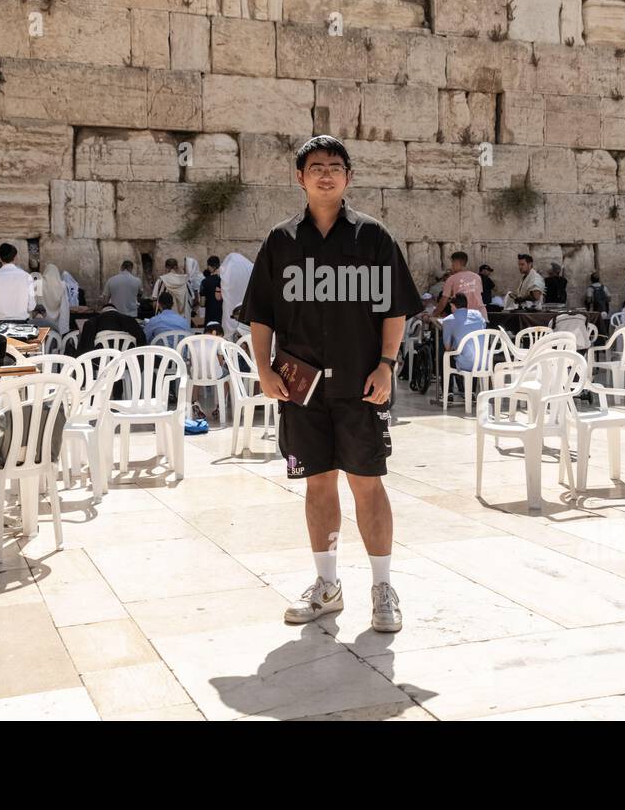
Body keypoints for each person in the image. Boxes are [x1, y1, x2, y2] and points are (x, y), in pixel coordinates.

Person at [244, 134, 420, 634]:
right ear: (299, 177)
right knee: (318, 484)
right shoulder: (281, 242)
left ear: (348, 177)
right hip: (302, 390)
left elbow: (395, 309)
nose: (326, 174)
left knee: (368, 484)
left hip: (362, 385)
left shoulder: (374, 238)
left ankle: (383, 588)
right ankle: (327, 585)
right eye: (315, 166)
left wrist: (386, 364)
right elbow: (261, 315)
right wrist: (263, 368)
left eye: (335, 166)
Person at [439, 293, 487, 395]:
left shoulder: (448, 320)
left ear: (453, 306)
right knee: (473, 350)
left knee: (445, 354)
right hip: (483, 361)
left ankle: (448, 392)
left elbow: (447, 347)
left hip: (466, 363)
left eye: (451, 306)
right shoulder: (478, 314)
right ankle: (472, 392)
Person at [0, 242, 36, 323]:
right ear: (15, 257)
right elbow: (31, 306)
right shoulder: (27, 276)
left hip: (0, 324)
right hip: (22, 323)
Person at [434, 250, 487, 320]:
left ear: (456, 263)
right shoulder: (477, 277)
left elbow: (443, 301)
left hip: (462, 319)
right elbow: (478, 295)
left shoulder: (451, 279)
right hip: (481, 317)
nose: (451, 266)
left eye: (452, 263)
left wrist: (433, 315)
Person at [39, 264, 70, 333]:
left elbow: (35, 304)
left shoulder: (39, 284)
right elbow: (64, 308)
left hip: (41, 322)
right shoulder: (62, 285)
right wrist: (64, 329)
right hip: (56, 324)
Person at [201, 255, 224, 327]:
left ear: (209, 266)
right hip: (222, 314)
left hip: (210, 315)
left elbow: (202, 302)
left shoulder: (205, 281)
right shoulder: (224, 280)